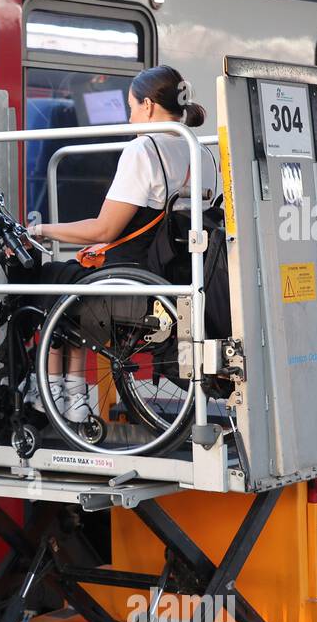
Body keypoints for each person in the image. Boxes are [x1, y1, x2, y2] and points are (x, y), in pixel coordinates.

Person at [25, 65, 207, 421]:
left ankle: (53, 389)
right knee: (75, 278)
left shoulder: (144, 149)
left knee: (50, 278)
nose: (130, 116)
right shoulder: (201, 151)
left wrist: (42, 230)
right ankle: (74, 393)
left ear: (149, 106)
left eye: (131, 107)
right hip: (175, 278)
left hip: (131, 284)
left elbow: (103, 230)